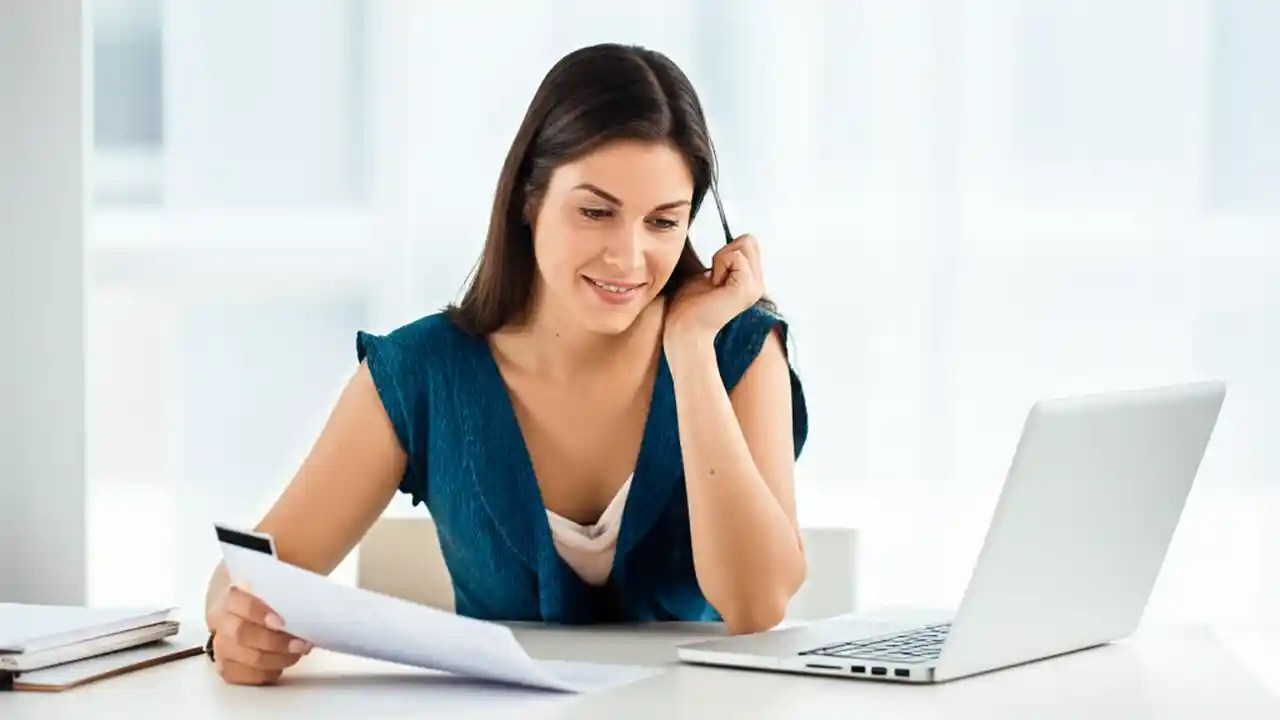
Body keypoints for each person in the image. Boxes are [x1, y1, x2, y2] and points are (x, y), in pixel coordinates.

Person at [203, 42, 808, 687]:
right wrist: (229, 627)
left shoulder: (735, 348)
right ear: (529, 199)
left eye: (662, 222)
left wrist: (690, 354)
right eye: (596, 212)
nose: (630, 257)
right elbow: (253, 573)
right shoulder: (423, 371)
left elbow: (756, 604)